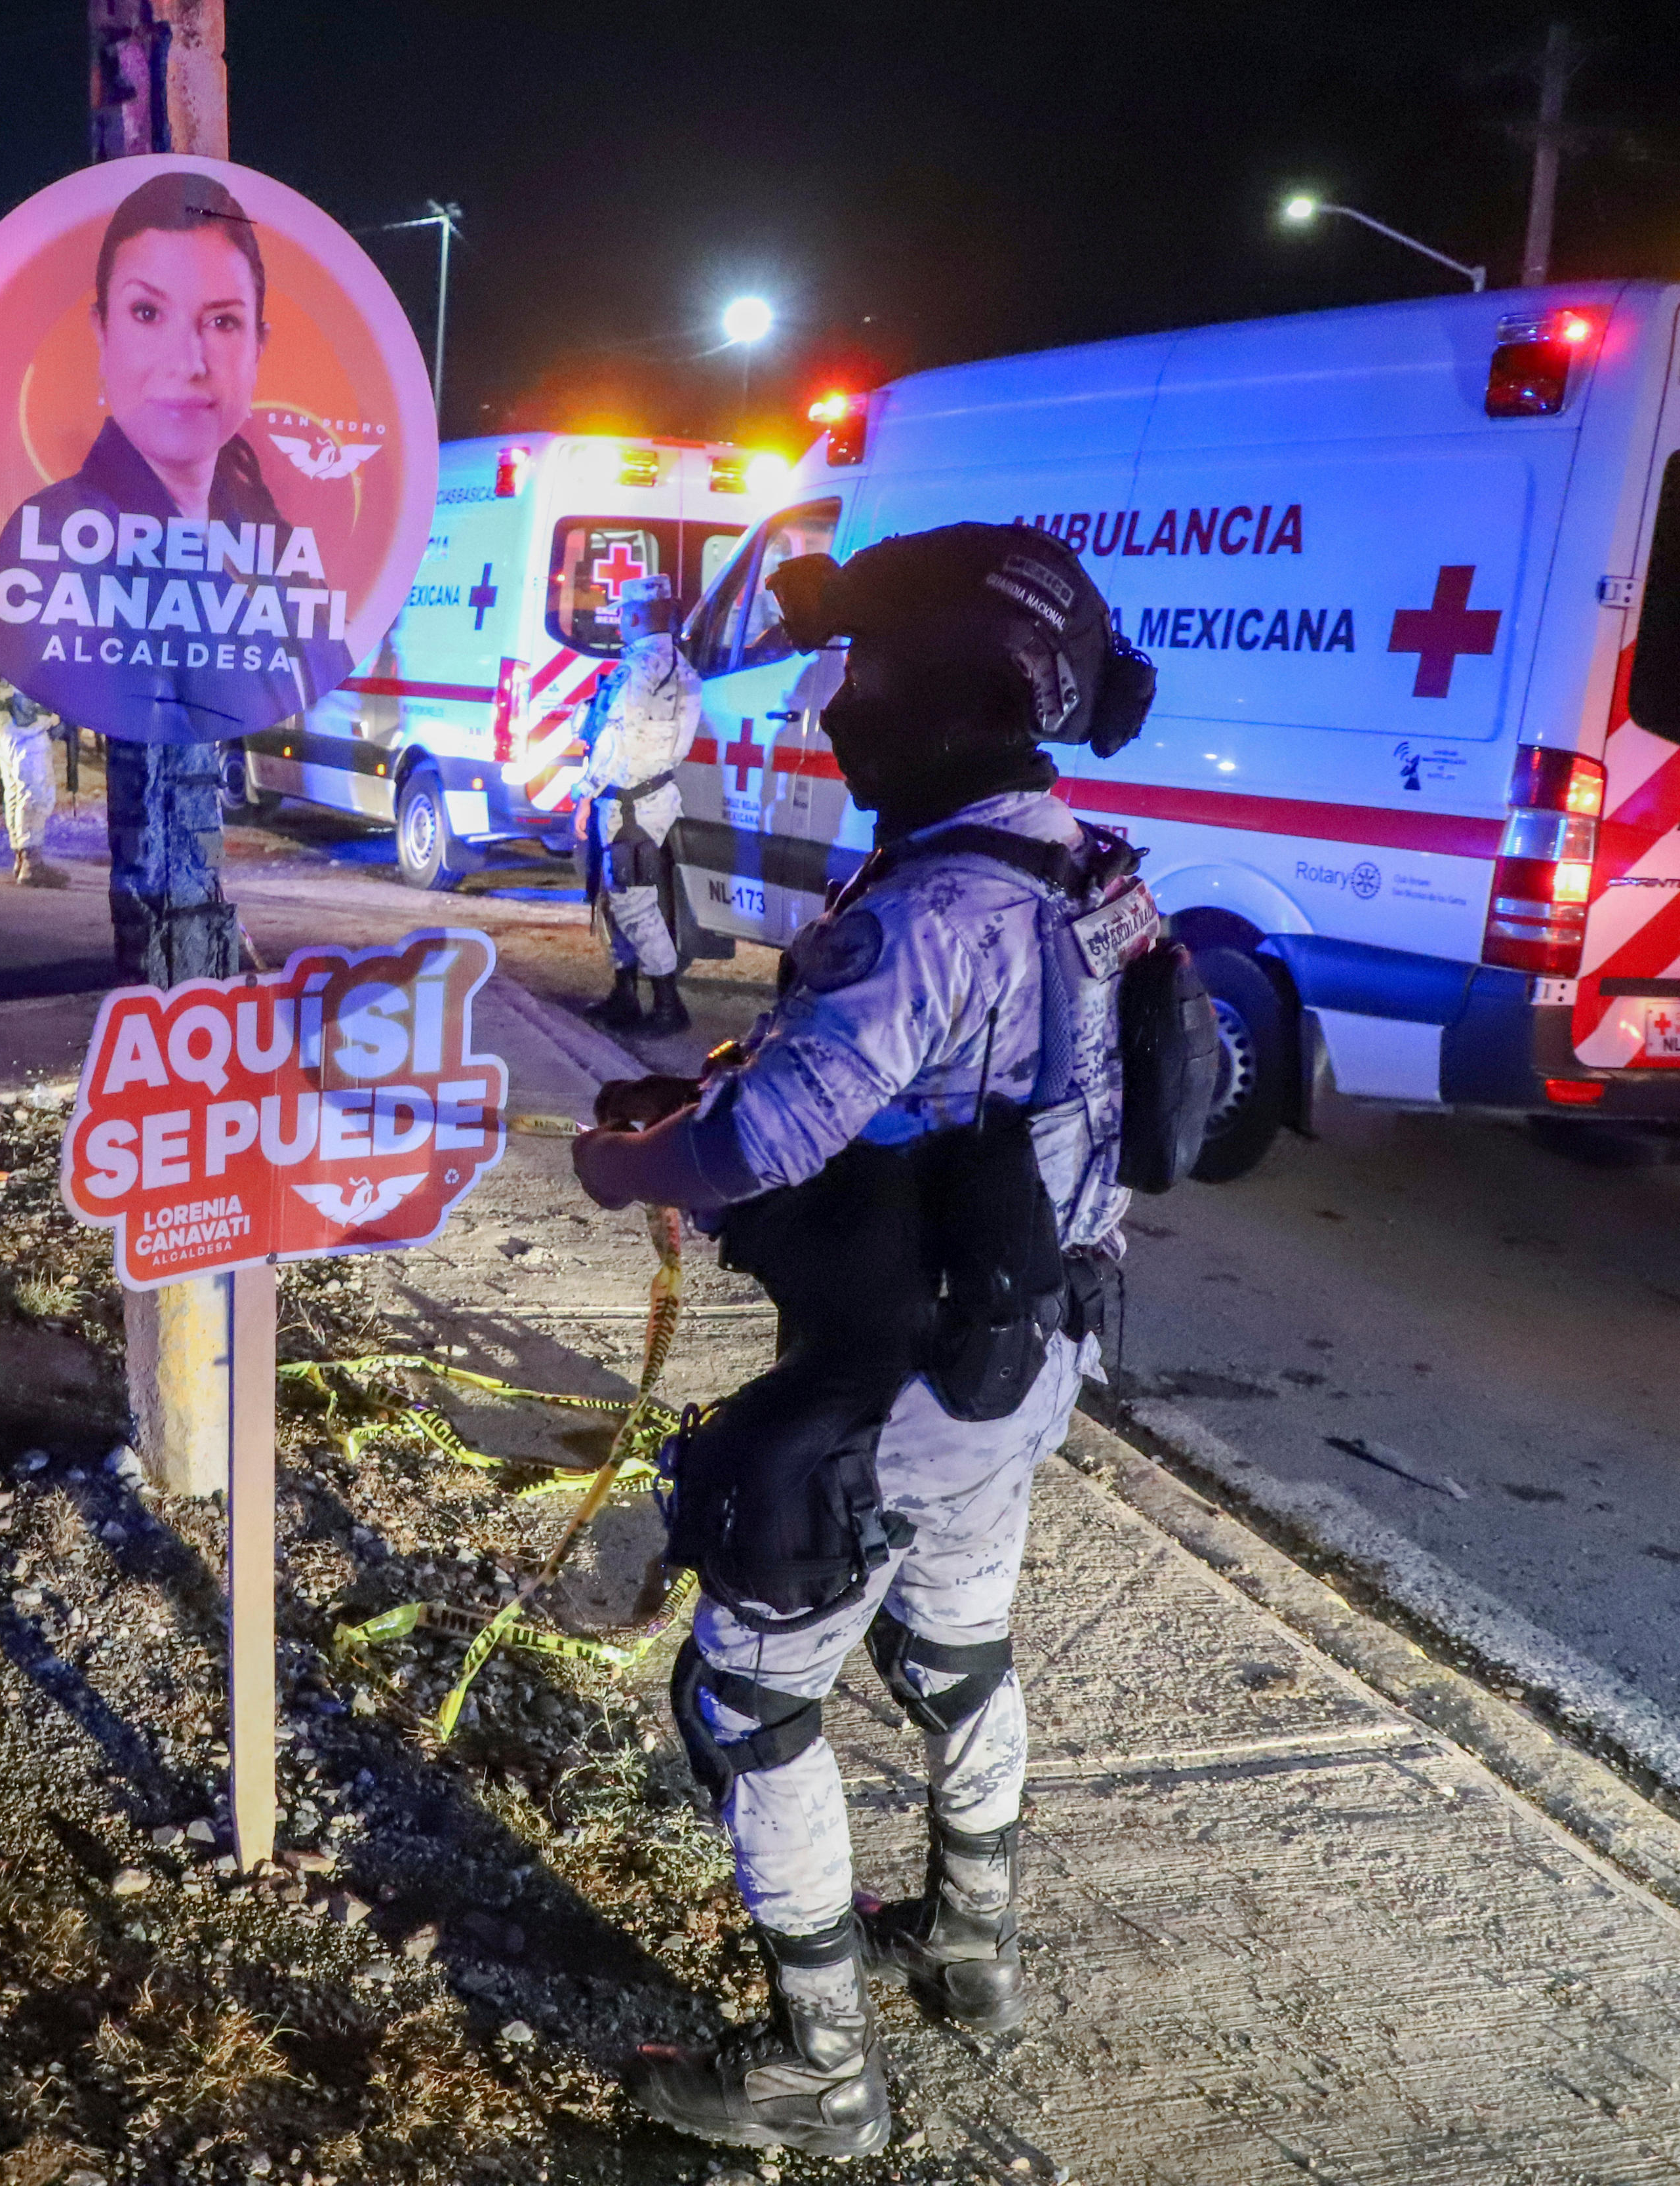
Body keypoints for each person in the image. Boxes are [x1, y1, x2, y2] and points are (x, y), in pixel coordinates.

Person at [570, 525, 1157, 2159]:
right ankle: (971, 1947)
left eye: (867, 668)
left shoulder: (937, 907)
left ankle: (818, 2070)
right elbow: (952, 1093)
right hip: (1030, 1357)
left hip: (902, 1380)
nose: (837, 704)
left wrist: (619, 1164)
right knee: (953, 1652)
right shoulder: (1088, 870)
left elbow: (765, 1140)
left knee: (745, 1701)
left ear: (956, 693)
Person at [0, 168, 352, 746]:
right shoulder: (53, 537)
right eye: (148, 313)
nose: (188, 360)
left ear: (259, 346)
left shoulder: (274, 539)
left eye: (223, 321)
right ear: (101, 332)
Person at [578, 572, 702, 1033]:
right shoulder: (685, 671)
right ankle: (624, 994)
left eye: (622, 615)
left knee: (632, 904)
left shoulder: (634, 671)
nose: (618, 624)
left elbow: (613, 739)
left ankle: (668, 1005)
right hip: (656, 796)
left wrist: (584, 794)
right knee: (619, 897)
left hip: (625, 802)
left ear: (633, 617)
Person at [0, 651, 68, 888]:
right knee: (35, 794)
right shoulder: (25, 635)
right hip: (24, 721)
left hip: (7, 717)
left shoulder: (0, 634)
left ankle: (22, 856)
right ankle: (31, 862)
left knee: (17, 792)